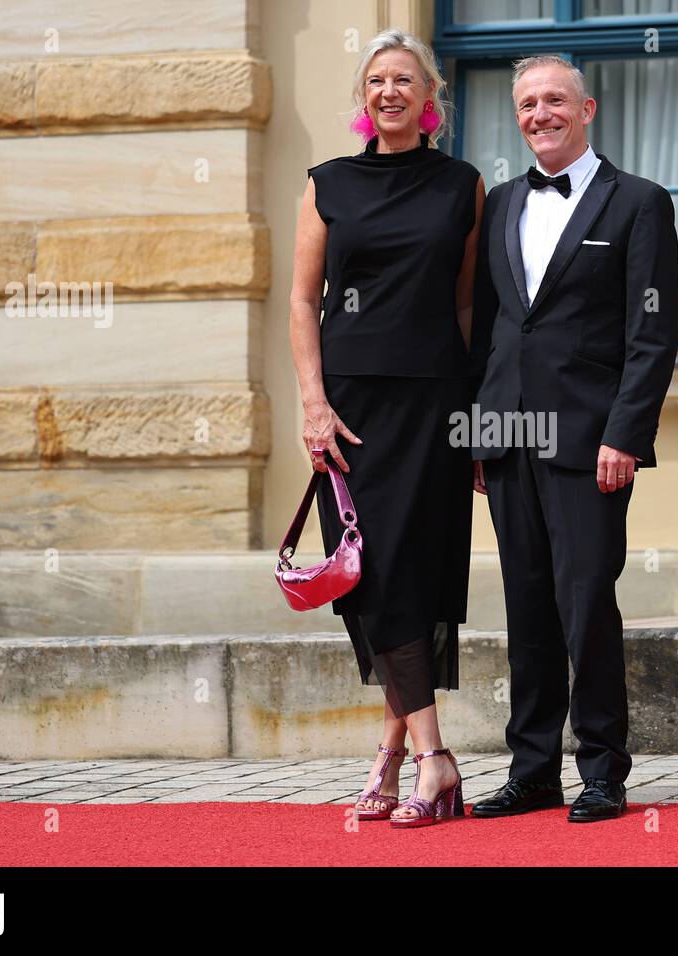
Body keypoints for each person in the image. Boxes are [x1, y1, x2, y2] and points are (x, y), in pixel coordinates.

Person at [468, 55, 678, 822]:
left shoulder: (641, 203)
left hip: (592, 440)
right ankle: (531, 771)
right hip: (508, 434)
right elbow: (491, 329)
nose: (539, 114)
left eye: (554, 100)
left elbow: (651, 334)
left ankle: (603, 771)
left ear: (587, 109)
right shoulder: (499, 208)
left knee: (586, 603)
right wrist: (478, 432)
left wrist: (626, 432)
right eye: (527, 103)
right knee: (525, 607)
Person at [288, 29, 484, 828]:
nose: (390, 91)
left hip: (435, 404)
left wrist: (474, 416)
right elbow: (303, 301)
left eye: (405, 79)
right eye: (376, 80)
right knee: (367, 576)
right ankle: (431, 758)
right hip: (351, 411)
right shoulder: (326, 183)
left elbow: (468, 306)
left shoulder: (462, 184)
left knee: (414, 572)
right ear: (364, 98)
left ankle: (400, 754)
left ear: (429, 97)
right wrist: (311, 401)